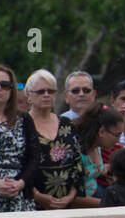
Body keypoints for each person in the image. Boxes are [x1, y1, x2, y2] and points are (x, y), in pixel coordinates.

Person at [25, 68, 86, 210]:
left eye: (50, 91)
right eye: (40, 91)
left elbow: (77, 165)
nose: (46, 95)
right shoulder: (21, 125)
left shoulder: (67, 123)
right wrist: (38, 196)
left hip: (67, 205)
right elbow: (19, 167)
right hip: (32, 205)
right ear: (29, 95)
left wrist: (70, 197)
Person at [0, 64, 40, 213]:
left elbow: (35, 157)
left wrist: (20, 184)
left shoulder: (24, 119)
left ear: (11, 90)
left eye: (4, 85)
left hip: (19, 195)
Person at [74, 104, 124, 206]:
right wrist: (107, 204)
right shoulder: (76, 152)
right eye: (117, 135)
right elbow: (73, 197)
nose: (118, 141)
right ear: (102, 131)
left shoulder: (97, 148)